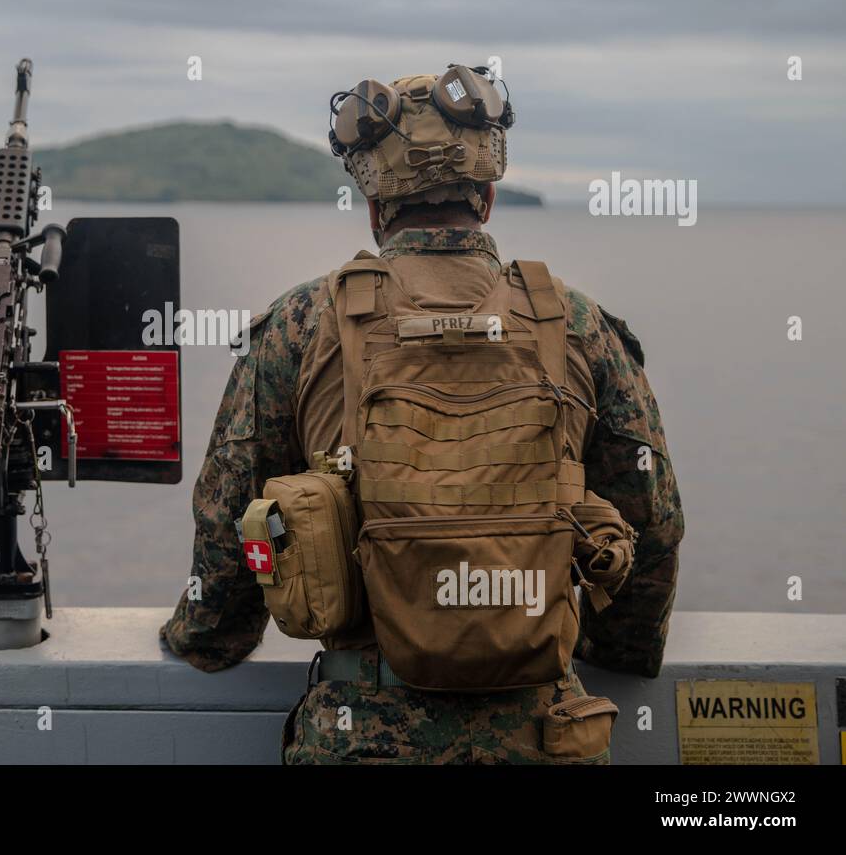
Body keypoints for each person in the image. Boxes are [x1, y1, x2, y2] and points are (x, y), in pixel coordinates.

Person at [159, 67, 684, 764]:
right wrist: (616, 649)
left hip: (359, 741)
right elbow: (652, 519)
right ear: (488, 199)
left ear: (375, 210)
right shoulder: (577, 324)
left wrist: (207, 634)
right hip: (546, 737)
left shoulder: (301, 325)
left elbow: (230, 524)